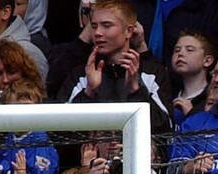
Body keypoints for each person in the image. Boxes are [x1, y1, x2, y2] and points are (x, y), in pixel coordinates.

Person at [60, 0, 171, 135]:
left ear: (129, 31)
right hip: (92, 155)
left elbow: (165, 132)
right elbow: (62, 135)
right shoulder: (81, 75)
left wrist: (136, 90)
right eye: (94, 26)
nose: (98, 33)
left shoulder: (153, 73)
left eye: (107, 25)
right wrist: (88, 92)